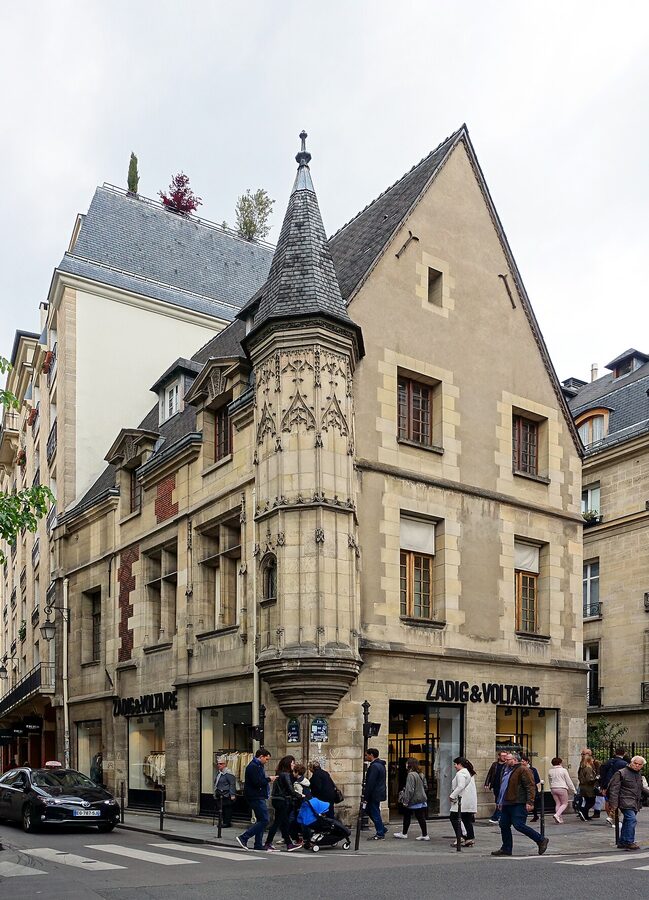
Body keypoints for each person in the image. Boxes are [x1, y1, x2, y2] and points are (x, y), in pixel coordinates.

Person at [491, 752, 549, 857]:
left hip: (518, 802)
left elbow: (530, 786)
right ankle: (506, 848)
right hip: (506, 802)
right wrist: (500, 801)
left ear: (515, 760)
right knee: (503, 824)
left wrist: (530, 801)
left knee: (518, 825)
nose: (506, 761)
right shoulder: (506, 770)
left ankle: (541, 839)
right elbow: (503, 787)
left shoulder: (523, 770)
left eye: (508, 759)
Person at [236, 748, 276, 851]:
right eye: (266, 759)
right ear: (261, 756)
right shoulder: (253, 766)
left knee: (260, 820)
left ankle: (258, 844)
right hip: (256, 796)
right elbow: (257, 782)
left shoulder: (258, 766)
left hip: (258, 796)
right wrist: (269, 779)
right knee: (265, 819)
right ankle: (244, 837)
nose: (267, 761)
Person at [607, 755, 649, 850]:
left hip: (635, 801)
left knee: (627, 821)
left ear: (642, 765)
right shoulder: (621, 773)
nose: (637, 765)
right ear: (631, 762)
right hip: (625, 800)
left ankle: (623, 841)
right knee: (631, 819)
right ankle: (629, 841)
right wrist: (613, 805)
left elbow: (641, 788)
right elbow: (614, 789)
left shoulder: (638, 774)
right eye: (635, 763)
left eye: (639, 764)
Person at [263, 755, 301, 852]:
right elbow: (290, 789)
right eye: (292, 763)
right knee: (277, 823)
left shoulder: (279, 773)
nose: (294, 765)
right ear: (288, 764)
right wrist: (300, 795)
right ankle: (268, 843)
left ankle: (289, 844)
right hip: (282, 800)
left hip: (276, 799)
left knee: (283, 823)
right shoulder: (286, 775)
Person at [393, 757, 429, 841]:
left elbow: (410, 789)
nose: (405, 765)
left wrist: (405, 801)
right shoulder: (421, 774)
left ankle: (404, 833)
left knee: (407, 816)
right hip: (421, 799)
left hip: (413, 799)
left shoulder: (411, 775)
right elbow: (425, 786)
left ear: (409, 764)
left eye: (406, 763)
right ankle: (424, 834)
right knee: (420, 817)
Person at [449, 757, 477, 847]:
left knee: (453, 817)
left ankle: (460, 837)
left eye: (455, 764)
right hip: (469, 800)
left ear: (459, 764)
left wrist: (452, 795)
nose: (454, 766)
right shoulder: (468, 772)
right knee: (466, 819)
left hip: (461, 800)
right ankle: (470, 838)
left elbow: (460, 786)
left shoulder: (461, 773)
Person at [599, 747, 628, 827]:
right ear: (624, 753)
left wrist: (603, 786)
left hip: (607, 784)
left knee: (608, 802)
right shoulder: (623, 763)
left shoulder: (608, 762)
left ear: (615, 752)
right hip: (618, 785)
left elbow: (603, 774)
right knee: (618, 802)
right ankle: (613, 818)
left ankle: (611, 817)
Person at [363, 748, 388, 840]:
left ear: (371, 755)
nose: (366, 757)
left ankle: (380, 833)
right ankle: (382, 828)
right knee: (369, 810)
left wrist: (366, 796)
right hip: (378, 792)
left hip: (374, 793)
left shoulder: (374, 766)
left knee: (374, 812)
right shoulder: (380, 765)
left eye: (367, 755)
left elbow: (370, 782)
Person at [547, 756, 576, 824]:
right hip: (562, 787)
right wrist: (573, 790)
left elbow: (550, 781)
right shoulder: (563, 770)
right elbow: (568, 781)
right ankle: (557, 815)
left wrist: (551, 788)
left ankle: (559, 818)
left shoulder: (550, 771)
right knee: (564, 803)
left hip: (553, 788)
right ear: (560, 763)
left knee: (558, 803)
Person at [484, 751, 508, 824]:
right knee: (497, 801)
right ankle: (501, 816)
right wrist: (487, 783)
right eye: (503, 756)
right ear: (499, 756)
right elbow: (490, 774)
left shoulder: (507, 765)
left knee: (500, 802)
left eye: (505, 756)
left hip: (503, 787)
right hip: (496, 786)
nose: (504, 757)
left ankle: (495, 817)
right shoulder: (495, 764)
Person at [213, 756, 237, 829]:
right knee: (221, 809)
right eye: (218, 764)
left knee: (227, 809)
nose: (218, 765)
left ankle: (227, 822)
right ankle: (222, 822)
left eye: (220, 764)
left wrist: (232, 794)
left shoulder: (229, 773)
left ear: (224, 764)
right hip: (220, 794)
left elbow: (232, 784)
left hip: (226, 795)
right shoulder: (219, 773)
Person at [577, 748, 599, 821]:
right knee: (591, 801)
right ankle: (583, 811)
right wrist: (596, 779)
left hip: (583, 786)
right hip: (588, 787)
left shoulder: (582, 767)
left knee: (587, 801)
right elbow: (589, 779)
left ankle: (585, 815)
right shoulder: (588, 768)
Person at [520, 754, 541, 822]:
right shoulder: (519, 769)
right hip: (523, 789)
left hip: (531, 788)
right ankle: (525, 817)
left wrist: (538, 789)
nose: (522, 763)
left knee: (532, 803)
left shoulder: (533, 769)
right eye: (521, 761)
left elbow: (537, 780)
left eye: (523, 761)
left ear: (527, 762)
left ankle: (535, 815)